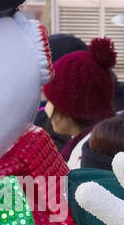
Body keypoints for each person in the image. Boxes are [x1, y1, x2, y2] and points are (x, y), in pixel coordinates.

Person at [42, 37, 118, 166]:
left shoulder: (87, 158)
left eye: (51, 101)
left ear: (70, 110)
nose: (46, 109)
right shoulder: (88, 146)